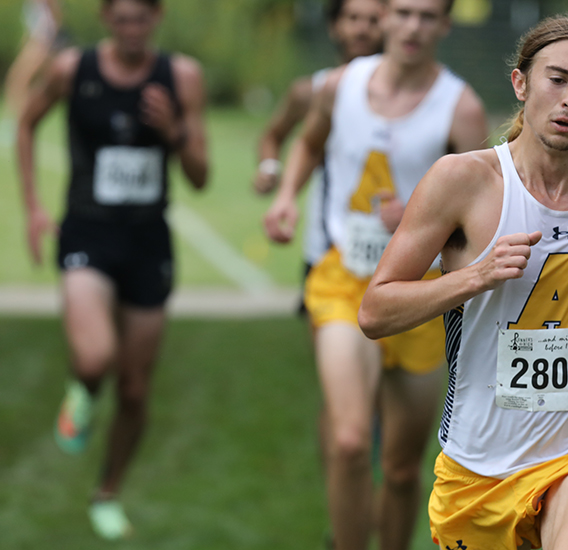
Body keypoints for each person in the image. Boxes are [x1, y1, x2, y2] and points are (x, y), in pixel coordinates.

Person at [359, 13, 568, 550]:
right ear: (521, 84)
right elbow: (376, 311)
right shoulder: (463, 182)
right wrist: (475, 276)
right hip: (478, 466)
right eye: (558, 79)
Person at [263, 0, 488, 548]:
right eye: (403, 12)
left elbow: (484, 214)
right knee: (348, 440)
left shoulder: (459, 107)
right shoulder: (340, 85)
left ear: (445, 25)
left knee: (404, 467)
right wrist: (287, 197)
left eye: (427, 15)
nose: (413, 26)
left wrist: (419, 214)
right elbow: (309, 143)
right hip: (344, 280)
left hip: (420, 296)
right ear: (383, 17)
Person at [15, 0, 208, 540]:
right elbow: (26, 124)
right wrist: (32, 206)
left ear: (157, 17)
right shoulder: (71, 69)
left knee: (136, 389)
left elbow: (200, 175)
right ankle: (82, 385)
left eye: (140, 17)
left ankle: (108, 491)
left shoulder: (182, 77)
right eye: (120, 17)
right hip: (87, 234)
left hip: (148, 242)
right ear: (105, 18)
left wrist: (174, 130)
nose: (130, 28)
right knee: (97, 355)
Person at [253, 0, 383, 308]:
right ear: (334, 26)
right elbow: (274, 136)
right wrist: (271, 169)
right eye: (352, 18)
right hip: (327, 245)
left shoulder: (416, 95)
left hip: (395, 246)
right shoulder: (311, 90)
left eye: (372, 20)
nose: (362, 28)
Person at [1, 0, 63, 145]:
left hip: (42, 42)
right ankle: (20, 121)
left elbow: (55, 16)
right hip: (36, 41)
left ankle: (19, 123)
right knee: (27, 82)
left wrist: (50, 41)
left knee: (19, 80)